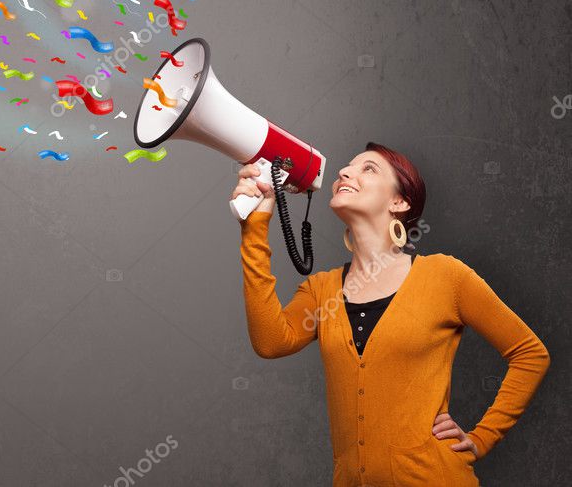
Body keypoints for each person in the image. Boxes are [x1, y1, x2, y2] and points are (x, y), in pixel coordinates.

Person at [231, 142, 549, 486]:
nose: (344, 172)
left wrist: (482, 437)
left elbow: (530, 354)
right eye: (348, 167)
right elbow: (270, 342)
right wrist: (256, 224)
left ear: (400, 202)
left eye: (368, 168)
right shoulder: (321, 291)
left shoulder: (445, 277)